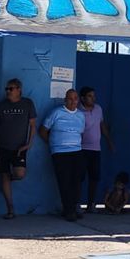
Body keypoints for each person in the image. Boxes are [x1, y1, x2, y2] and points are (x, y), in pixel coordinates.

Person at [0, 78, 37, 220]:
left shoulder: (27, 104)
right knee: (3, 175)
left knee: (20, 174)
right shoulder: (1, 106)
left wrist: (29, 143)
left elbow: (33, 125)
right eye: (7, 89)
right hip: (2, 146)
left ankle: (7, 181)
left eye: (11, 88)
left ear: (19, 90)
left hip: (19, 148)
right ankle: (10, 209)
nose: (8, 91)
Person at [40, 89, 88, 221]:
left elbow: (81, 133)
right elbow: (43, 130)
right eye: (70, 99)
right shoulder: (56, 113)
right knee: (64, 182)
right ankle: (68, 210)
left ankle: (74, 206)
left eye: (75, 99)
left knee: (77, 181)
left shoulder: (80, 115)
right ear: (65, 100)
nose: (73, 101)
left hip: (76, 151)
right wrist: (52, 144)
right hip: (60, 153)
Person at [79, 86, 116, 213]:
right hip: (81, 149)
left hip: (95, 149)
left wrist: (109, 141)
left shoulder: (98, 109)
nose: (93, 98)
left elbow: (102, 126)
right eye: (90, 96)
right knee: (79, 177)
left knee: (94, 177)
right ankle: (76, 203)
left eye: (94, 96)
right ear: (83, 98)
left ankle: (91, 204)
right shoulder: (78, 111)